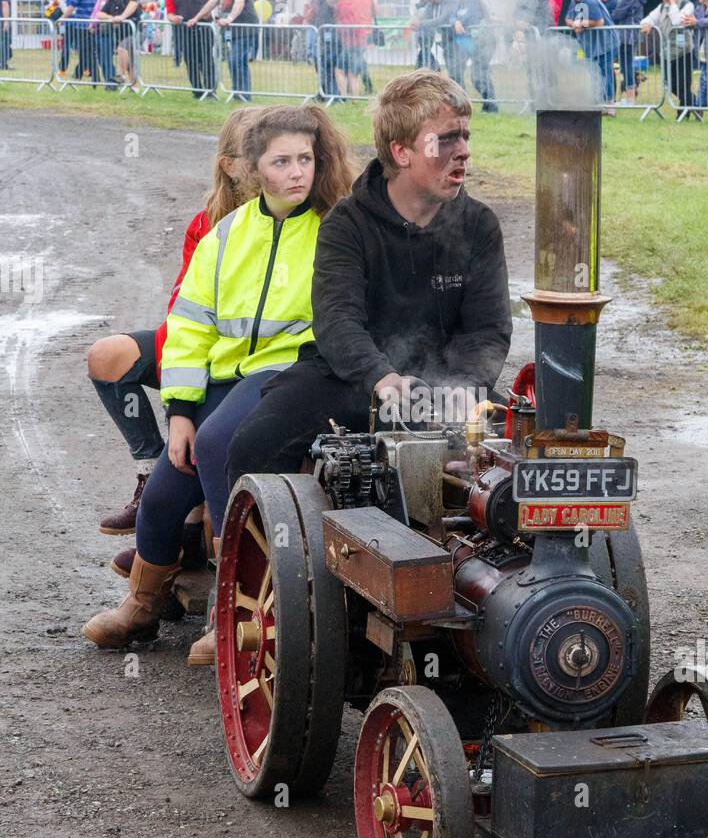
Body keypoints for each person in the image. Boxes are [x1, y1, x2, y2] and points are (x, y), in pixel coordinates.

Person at [84, 105, 356, 662]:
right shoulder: (225, 234)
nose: (298, 172)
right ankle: (143, 608)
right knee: (162, 497)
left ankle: (228, 615)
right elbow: (187, 326)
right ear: (252, 169)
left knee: (215, 447)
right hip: (218, 380)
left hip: (286, 376)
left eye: (306, 159)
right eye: (282, 161)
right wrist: (180, 409)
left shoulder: (335, 230)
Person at [226, 70, 513, 498]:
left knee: (531, 449)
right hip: (353, 381)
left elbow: (487, 332)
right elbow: (338, 320)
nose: (465, 152)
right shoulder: (348, 223)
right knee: (252, 446)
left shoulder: (479, 225)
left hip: (445, 386)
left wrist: (459, 391)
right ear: (401, 152)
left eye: (465, 137)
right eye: (447, 139)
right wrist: (382, 378)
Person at [87, 109, 261, 558]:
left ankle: (183, 533)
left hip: (250, 367)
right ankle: (150, 474)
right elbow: (182, 313)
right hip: (199, 355)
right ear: (229, 164)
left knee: (210, 425)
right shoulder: (207, 223)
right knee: (107, 356)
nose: (266, 164)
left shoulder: (299, 221)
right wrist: (185, 385)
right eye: (254, 153)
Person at [197, 0, 258, 102]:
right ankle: (238, 93)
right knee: (234, 61)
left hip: (246, 28)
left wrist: (229, 18)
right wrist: (197, 17)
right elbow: (213, 1)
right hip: (234, 29)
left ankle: (244, 94)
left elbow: (240, 2)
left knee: (237, 60)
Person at [640, 0, 695, 115]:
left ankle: (684, 113)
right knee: (669, 84)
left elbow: (677, 21)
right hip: (667, 51)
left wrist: (672, 3)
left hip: (683, 51)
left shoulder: (688, 5)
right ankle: (695, 105)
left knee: (682, 84)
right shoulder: (661, 6)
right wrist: (647, 24)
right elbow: (649, 18)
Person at [165, 0, 218, 99]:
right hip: (185, 31)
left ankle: (210, 91)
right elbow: (169, 13)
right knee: (191, 61)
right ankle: (197, 90)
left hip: (204, 27)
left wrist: (208, 11)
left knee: (207, 60)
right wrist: (174, 18)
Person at [565, 0, 617, 110]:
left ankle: (609, 106)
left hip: (605, 43)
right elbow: (568, 18)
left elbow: (599, 21)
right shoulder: (574, 1)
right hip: (591, 46)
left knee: (605, 74)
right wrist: (574, 24)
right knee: (595, 74)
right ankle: (599, 104)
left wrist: (582, 24)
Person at [452, 0, 498, 111]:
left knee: (479, 76)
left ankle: (491, 106)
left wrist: (459, 21)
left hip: (484, 43)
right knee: (463, 72)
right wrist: (455, 21)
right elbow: (452, 15)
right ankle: (487, 105)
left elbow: (471, 19)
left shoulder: (475, 0)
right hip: (471, 43)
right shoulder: (460, 1)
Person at [334, 0, 377, 98]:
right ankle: (358, 94)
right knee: (355, 69)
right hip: (365, 35)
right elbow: (375, 10)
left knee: (340, 70)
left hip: (350, 37)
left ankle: (346, 96)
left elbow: (340, 15)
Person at [96, 0, 141, 91]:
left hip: (133, 31)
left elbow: (133, 4)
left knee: (121, 49)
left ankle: (121, 76)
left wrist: (122, 17)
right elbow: (100, 14)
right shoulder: (111, 0)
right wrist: (112, 18)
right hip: (121, 33)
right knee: (129, 61)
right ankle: (135, 87)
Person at [611, 0, 646, 104]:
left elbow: (616, 15)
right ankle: (630, 97)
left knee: (627, 66)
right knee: (627, 66)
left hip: (628, 36)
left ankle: (631, 98)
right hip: (631, 35)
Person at [60, 0, 99, 82]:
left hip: (82, 25)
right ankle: (82, 73)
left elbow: (70, 8)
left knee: (83, 51)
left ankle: (80, 74)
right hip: (94, 24)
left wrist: (62, 19)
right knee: (90, 51)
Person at [410, 0, 458, 72]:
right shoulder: (431, 2)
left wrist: (420, 24)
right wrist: (415, 22)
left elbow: (442, 19)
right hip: (446, 39)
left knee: (455, 71)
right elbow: (424, 18)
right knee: (453, 71)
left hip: (456, 38)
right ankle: (434, 70)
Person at [0, 0, 13, 69]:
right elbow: (5, 4)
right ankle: (3, 63)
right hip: (2, 20)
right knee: (5, 41)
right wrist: (6, 21)